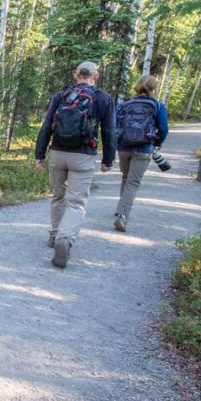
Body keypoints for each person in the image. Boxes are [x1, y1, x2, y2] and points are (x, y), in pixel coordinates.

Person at [34, 61, 116, 268]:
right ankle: (65, 238)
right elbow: (109, 131)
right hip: (83, 155)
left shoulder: (61, 96)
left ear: (76, 75)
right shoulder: (103, 99)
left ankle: (54, 235)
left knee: (58, 196)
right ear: (95, 76)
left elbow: (46, 127)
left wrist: (39, 155)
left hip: (58, 153)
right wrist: (108, 159)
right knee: (76, 202)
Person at [113, 74, 169, 231]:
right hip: (143, 149)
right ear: (153, 88)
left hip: (123, 147)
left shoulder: (124, 105)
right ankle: (122, 216)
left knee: (125, 178)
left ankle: (120, 210)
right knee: (133, 182)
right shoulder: (157, 106)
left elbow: (115, 124)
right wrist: (157, 143)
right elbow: (163, 129)